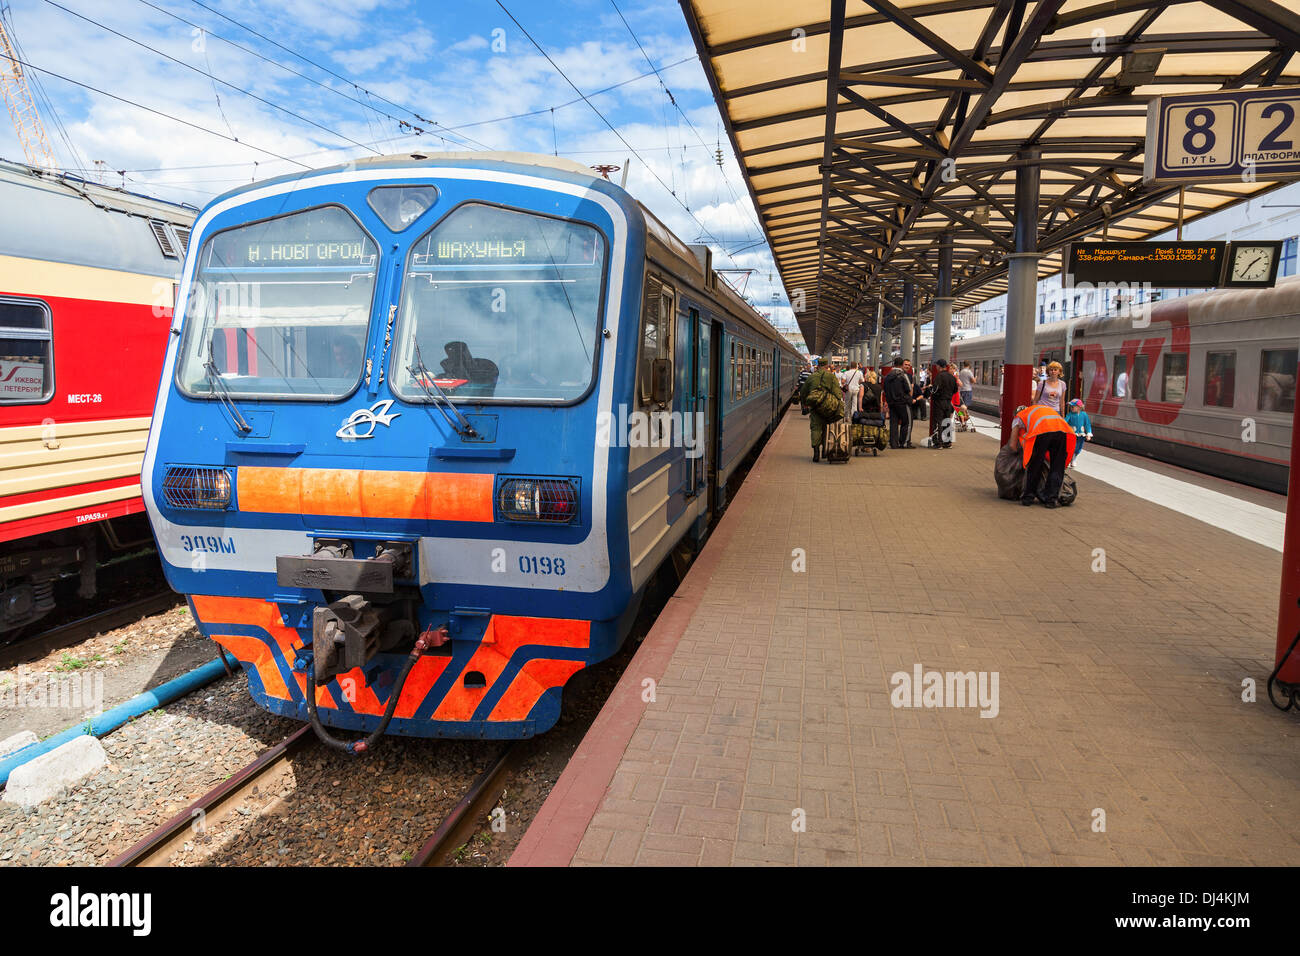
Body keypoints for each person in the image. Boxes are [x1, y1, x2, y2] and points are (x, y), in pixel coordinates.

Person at [1009, 403, 1077, 507]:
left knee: (1035, 465)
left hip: (1042, 431)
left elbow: (1012, 445)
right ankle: (1051, 500)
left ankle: (1028, 498)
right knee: (1057, 467)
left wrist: (1017, 455)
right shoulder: (1036, 410)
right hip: (1061, 430)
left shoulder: (1018, 418)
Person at [799, 357, 841, 462]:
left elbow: (803, 392)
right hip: (828, 409)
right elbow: (838, 394)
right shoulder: (831, 377)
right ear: (827, 366)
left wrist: (805, 404)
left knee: (815, 428)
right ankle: (824, 452)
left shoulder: (812, 377)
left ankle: (816, 453)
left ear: (818, 366)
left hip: (815, 408)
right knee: (826, 428)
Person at [927, 358, 960, 449]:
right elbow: (955, 390)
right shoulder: (952, 377)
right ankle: (947, 442)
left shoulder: (939, 376)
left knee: (938, 421)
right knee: (947, 421)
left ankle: (938, 443)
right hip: (948, 402)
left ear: (939, 366)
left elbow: (935, 390)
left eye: (937, 365)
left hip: (939, 401)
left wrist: (930, 388)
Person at [883, 357, 913, 449]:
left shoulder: (888, 376)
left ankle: (893, 443)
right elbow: (908, 388)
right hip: (902, 402)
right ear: (901, 365)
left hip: (892, 402)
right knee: (907, 422)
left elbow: (885, 389)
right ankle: (904, 443)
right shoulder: (903, 374)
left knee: (893, 423)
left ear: (894, 364)